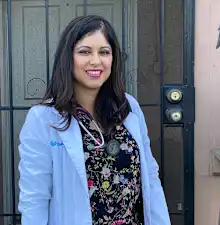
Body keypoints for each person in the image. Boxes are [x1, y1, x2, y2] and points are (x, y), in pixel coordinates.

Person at [17, 15, 170, 225]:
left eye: (104, 52)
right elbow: (34, 199)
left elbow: (150, 179)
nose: (96, 61)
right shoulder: (43, 118)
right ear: (68, 57)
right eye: (84, 51)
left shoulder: (128, 107)